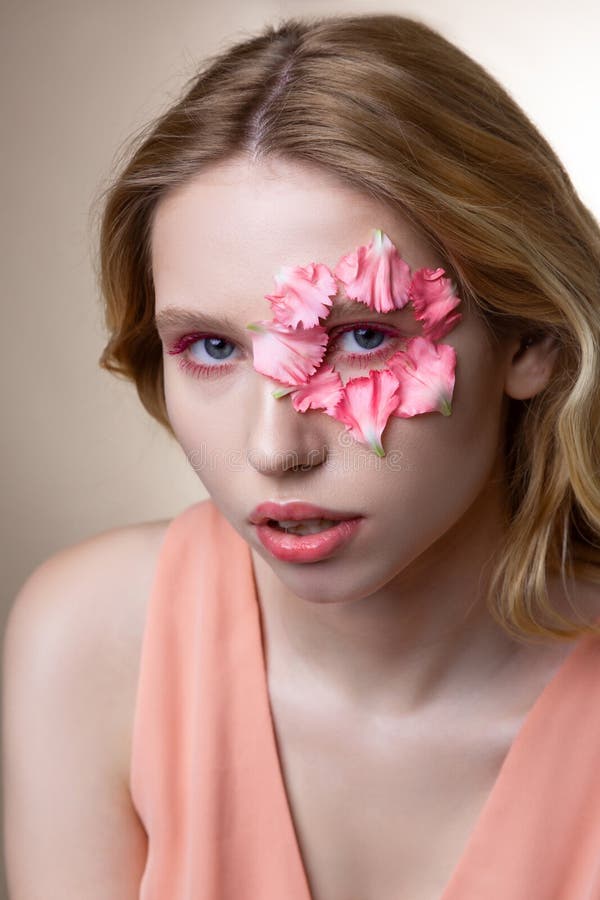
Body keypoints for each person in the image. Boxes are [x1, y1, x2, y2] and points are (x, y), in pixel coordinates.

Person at [4, 12, 600, 900]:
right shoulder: (91, 644)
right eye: (209, 348)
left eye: (362, 335)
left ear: (532, 342)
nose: (272, 448)